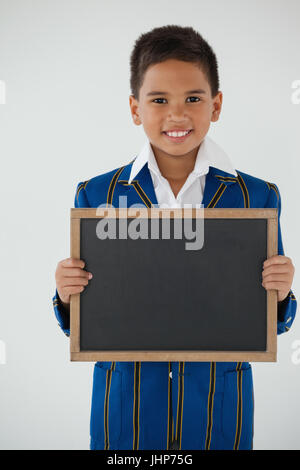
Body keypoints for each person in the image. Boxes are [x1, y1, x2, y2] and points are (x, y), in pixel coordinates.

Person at [52, 25, 297, 450]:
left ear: (216, 105)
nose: (177, 115)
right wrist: (64, 292)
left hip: (218, 408)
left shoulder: (255, 196)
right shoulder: (98, 194)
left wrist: (282, 291)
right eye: (159, 100)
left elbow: (271, 318)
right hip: (125, 410)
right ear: (135, 108)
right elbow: (88, 319)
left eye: (193, 99)